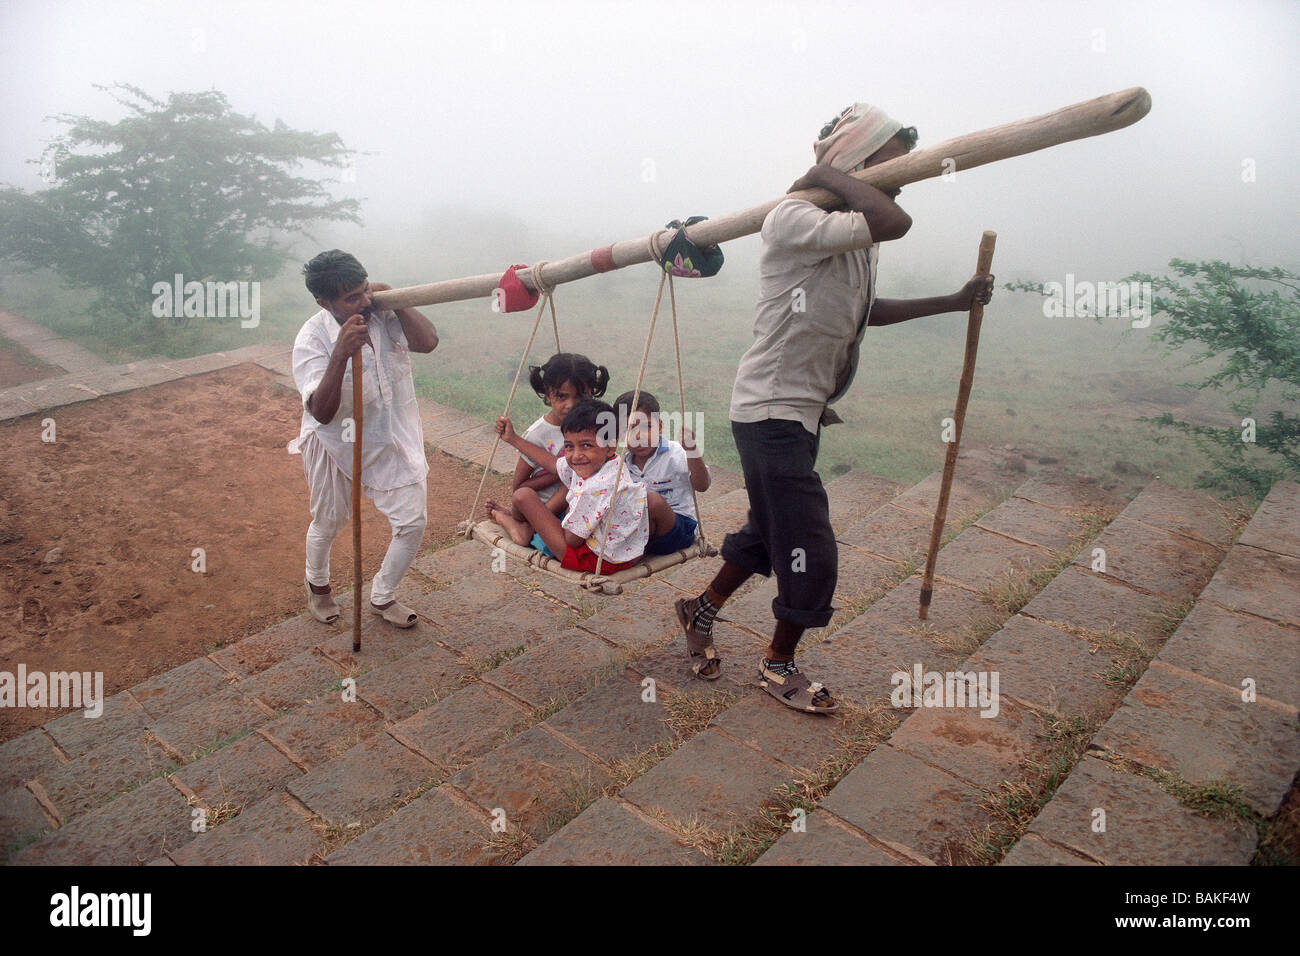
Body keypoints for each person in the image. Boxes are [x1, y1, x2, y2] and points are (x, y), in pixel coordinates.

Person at [674, 103, 995, 712]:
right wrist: (823, 178)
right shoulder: (793, 216)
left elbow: (863, 309)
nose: (906, 174)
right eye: (893, 162)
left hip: (802, 412)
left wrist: (954, 302)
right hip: (769, 410)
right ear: (854, 160)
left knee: (772, 532)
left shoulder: (850, 229)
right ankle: (777, 665)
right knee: (810, 546)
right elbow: (895, 220)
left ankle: (699, 609)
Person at [290, 249, 439, 628]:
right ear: (325, 302)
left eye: (365, 288)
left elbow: (428, 342)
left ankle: (382, 595)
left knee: (413, 522)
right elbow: (320, 411)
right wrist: (340, 353)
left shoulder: (382, 310)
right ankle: (319, 587)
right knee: (330, 519)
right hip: (332, 439)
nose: (365, 301)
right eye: (352, 297)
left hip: (389, 432)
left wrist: (399, 302)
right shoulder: (312, 339)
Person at [490, 399, 678, 573]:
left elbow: (572, 539)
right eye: (569, 446)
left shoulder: (594, 489)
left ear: (610, 446)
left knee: (523, 496)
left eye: (586, 445)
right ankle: (521, 523)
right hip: (626, 554)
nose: (575, 455)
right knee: (557, 495)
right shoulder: (613, 462)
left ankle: (518, 527)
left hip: (595, 561)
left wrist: (569, 510)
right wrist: (513, 438)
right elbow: (552, 463)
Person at [486, 352, 609, 552]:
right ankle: (519, 524)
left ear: (591, 393)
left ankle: (518, 523)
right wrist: (561, 472)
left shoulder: (593, 425)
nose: (571, 405)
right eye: (561, 396)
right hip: (541, 508)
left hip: (577, 503)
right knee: (572, 482)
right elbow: (519, 488)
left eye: (580, 396)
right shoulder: (537, 435)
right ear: (547, 394)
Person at [612, 389, 711, 557]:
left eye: (647, 426)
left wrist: (692, 451)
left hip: (677, 529)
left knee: (653, 501)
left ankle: (626, 554)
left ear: (660, 427)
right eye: (629, 429)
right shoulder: (623, 463)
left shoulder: (675, 453)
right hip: (641, 530)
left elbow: (702, 485)